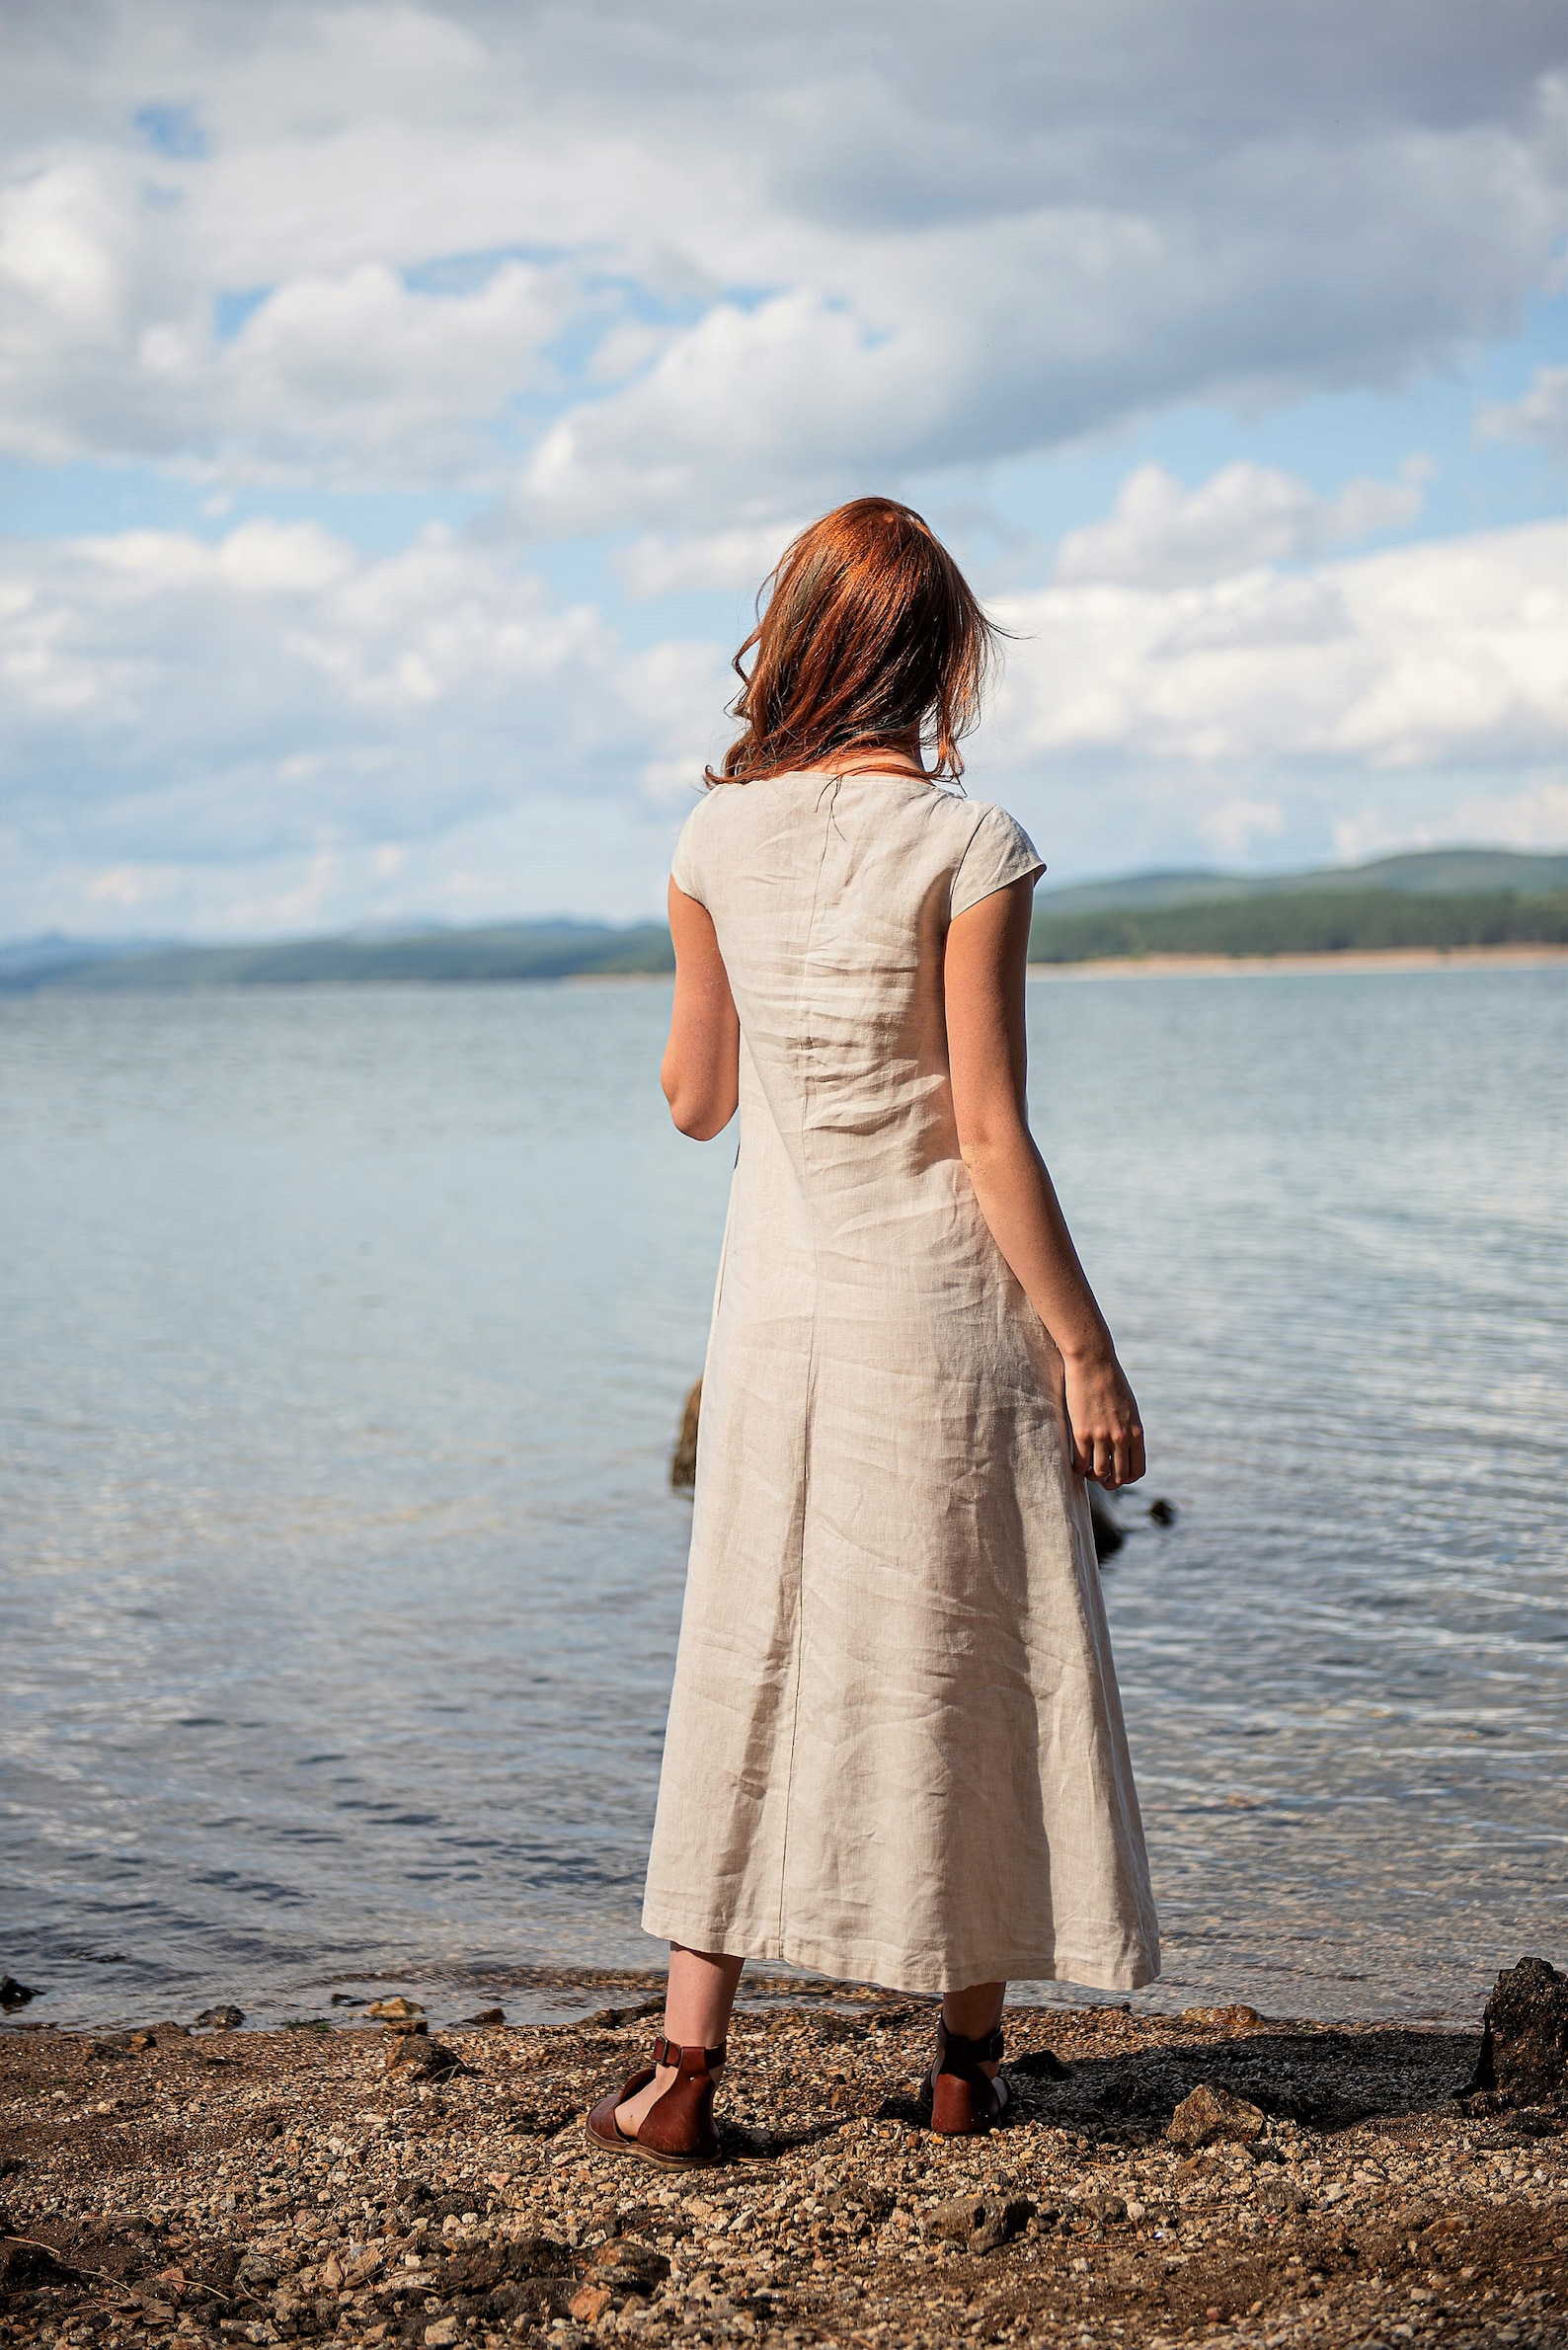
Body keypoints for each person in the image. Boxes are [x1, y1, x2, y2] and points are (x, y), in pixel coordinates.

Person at [588, 497, 1158, 2168]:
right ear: (933, 661)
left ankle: (687, 2074)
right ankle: (966, 2070)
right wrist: (1090, 1350)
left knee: (747, 1647)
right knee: (976, 1655)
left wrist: (741, 973)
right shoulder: (973, 849)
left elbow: (698, 1104)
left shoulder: (709, 844)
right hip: (944, 1318)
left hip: (779, 1313)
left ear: (802, 641)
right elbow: (990, 1134)